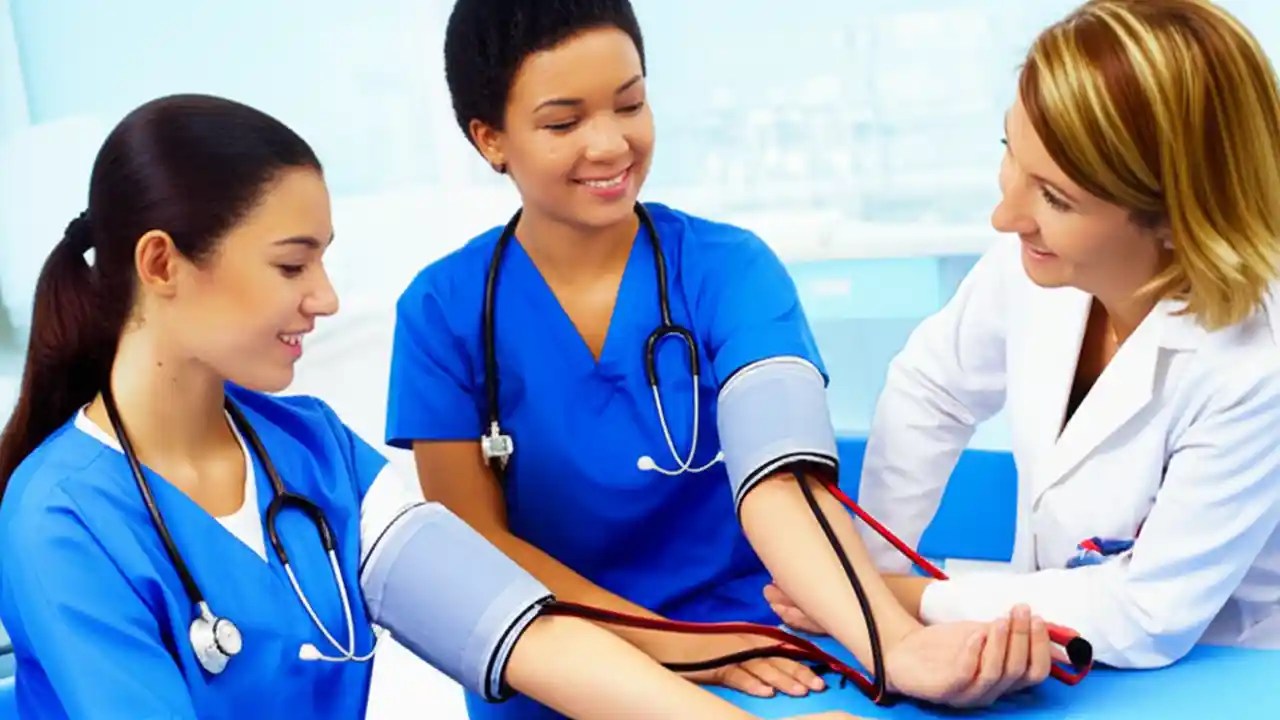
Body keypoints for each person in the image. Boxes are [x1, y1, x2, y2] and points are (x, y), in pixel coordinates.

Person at [0, 93, 862, 720]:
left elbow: (522, 632)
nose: (327, 299)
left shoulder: (313, 454)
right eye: (292, 266)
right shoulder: (60, 518)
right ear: (162, 264)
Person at [386, 1, 1054, 718]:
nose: (611, 144)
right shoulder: (443, 311)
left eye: (630, 103)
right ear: (490, 138)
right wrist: (670, 643)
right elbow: (477, 546)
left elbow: (782, 478)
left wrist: (894, 646)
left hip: (758, 645)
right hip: (556, 662)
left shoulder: (730, 270)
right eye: (563, 122)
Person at [765, 0, 1280, 671]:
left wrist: (898, 599)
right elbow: (933, 389)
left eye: (1056, 198)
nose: (1006, 215)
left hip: (1223, 674)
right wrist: (867, 583)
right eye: (1011, 151)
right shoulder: (1038, 266)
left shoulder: (1253, 363)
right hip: (1048, 650)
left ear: (1178, 218)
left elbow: (1147, 615)